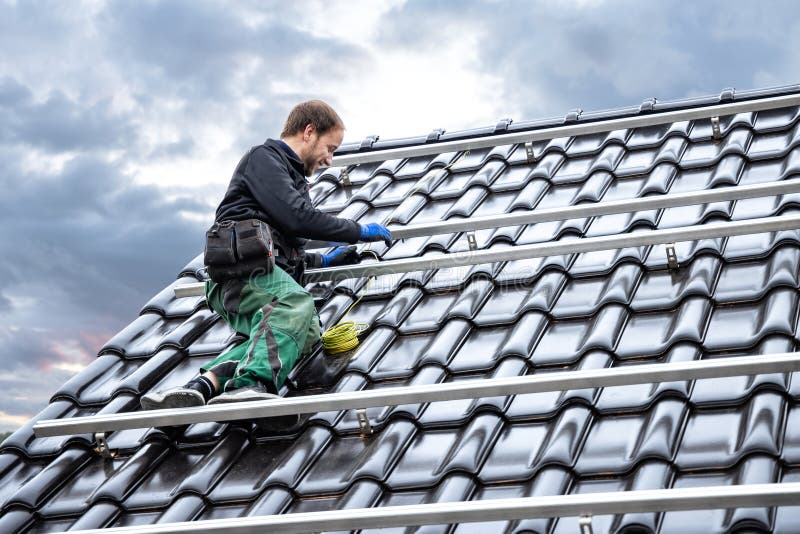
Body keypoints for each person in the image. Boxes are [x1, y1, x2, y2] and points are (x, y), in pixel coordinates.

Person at [141, 100, 392, 412]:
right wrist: (358, 230)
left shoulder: (294, 181)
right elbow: (297, 218)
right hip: (239, 274)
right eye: (330, 148)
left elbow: (285, 248)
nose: (330, 159)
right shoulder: (264, 158)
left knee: (304, 335)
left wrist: (324, 261)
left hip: (262, 276)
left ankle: (202, 386)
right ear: (309, 132)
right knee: (295, 303)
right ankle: (249, 386)